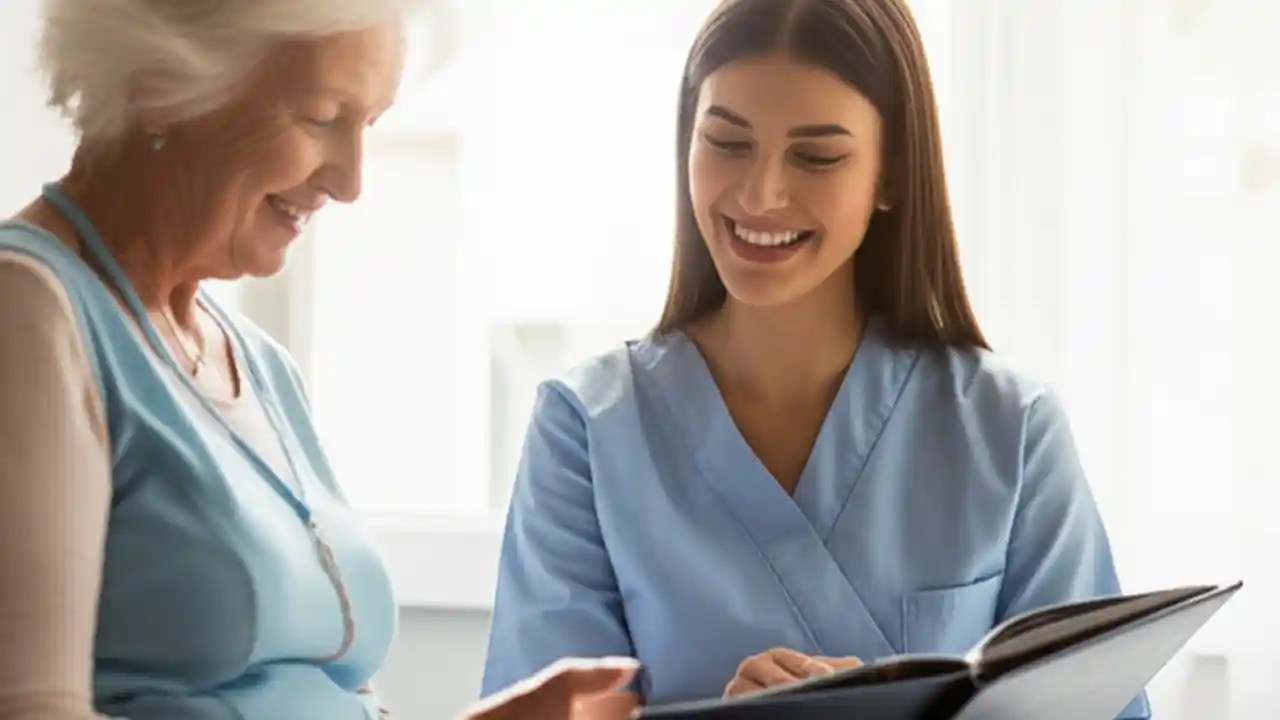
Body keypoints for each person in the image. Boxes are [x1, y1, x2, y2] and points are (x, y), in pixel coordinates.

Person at [480, 0, 1151, 717]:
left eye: (817, 156)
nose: (762, 193)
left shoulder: (1011, 431)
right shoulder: (587, 430)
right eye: (727, 143)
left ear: (890, 175)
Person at [0, 1, 635, 718]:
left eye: (367, 125)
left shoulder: (259, 365)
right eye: (322, 118)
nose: (351, 180)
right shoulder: (28, 311)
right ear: (161, 88)